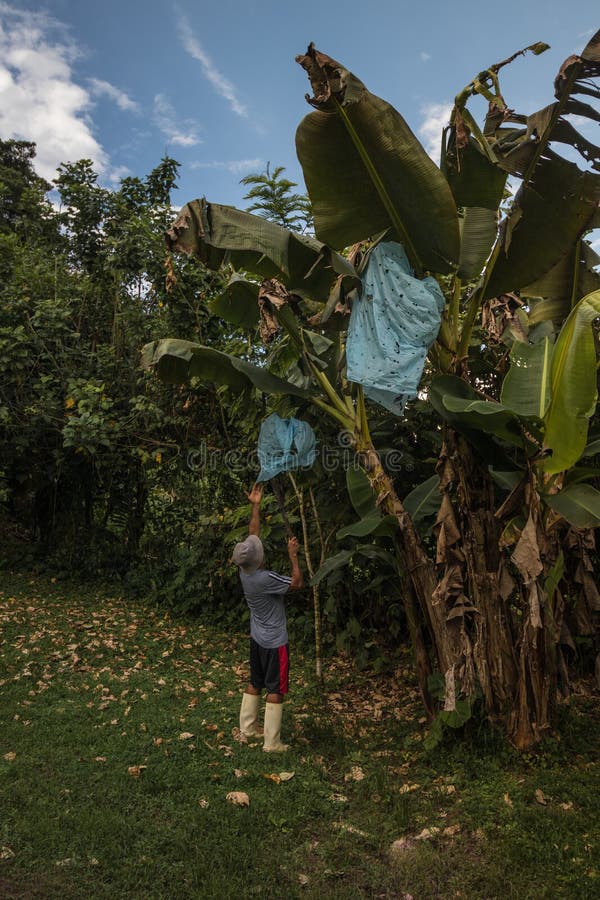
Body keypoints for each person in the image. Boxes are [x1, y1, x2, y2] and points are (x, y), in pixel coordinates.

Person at [232, 483, 303, 752]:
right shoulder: (265, 578)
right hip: (275, 643)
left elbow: (252, 535)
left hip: (257, 639)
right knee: (276, 688)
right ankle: (271, 743)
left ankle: (247, 730)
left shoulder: (245, 571)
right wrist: (293, 557)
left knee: (255, 682)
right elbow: (296, 584)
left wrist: (255, 505)